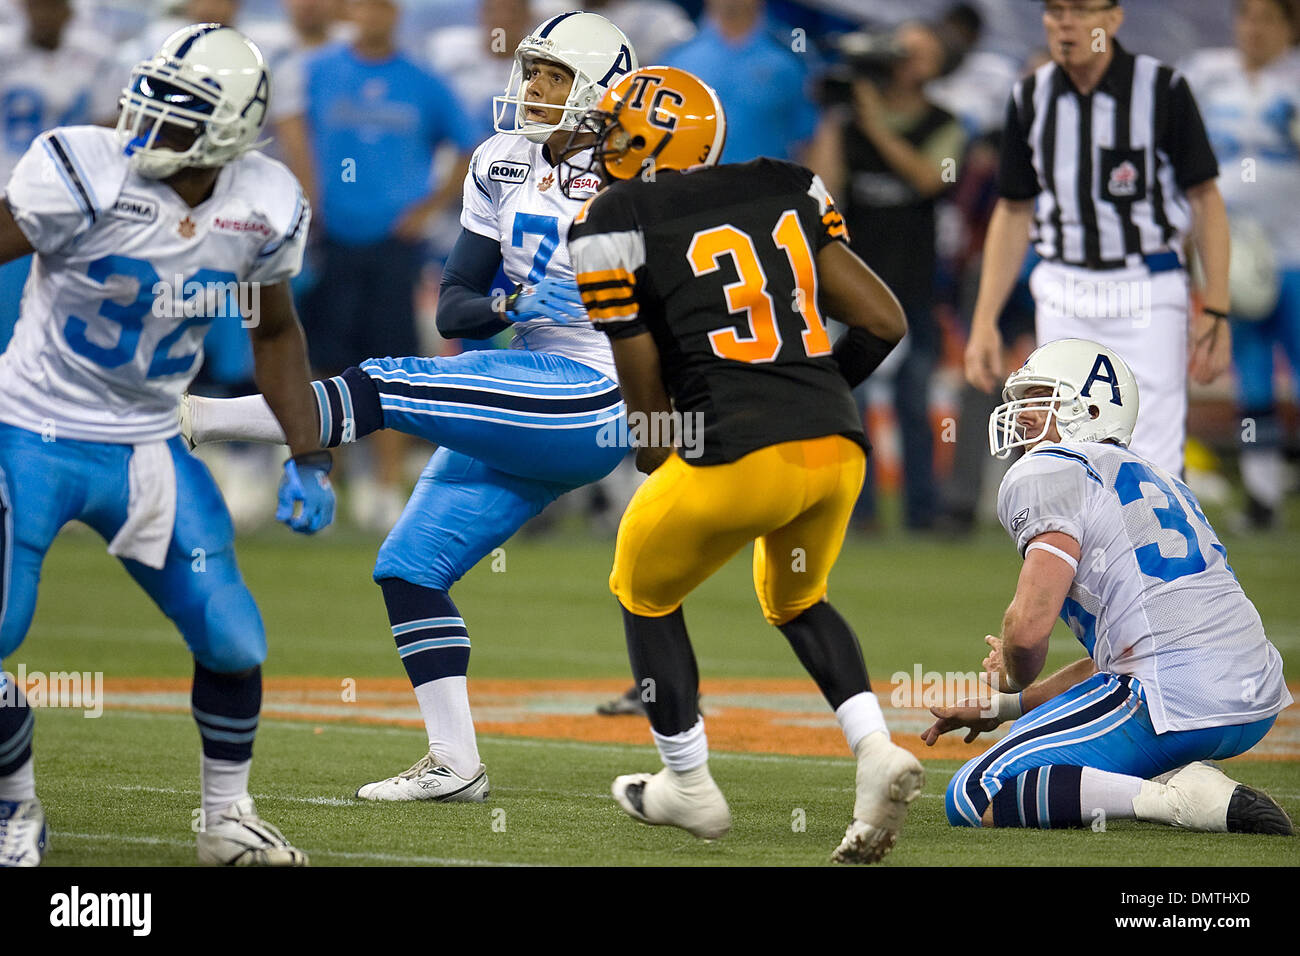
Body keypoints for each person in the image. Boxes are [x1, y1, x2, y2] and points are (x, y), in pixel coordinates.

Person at [181, 11, 638, 803]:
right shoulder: (499, 160)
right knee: (409, 567)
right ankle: (456, 762)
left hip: (594, 392)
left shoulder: (645, 176)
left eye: (553, 75)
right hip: (526, 381)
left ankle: (186, 420)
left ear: (599, 90)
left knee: (387, 380)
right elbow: (459, 305)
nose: (530, 86)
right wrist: (521, 294)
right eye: (530, 69)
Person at [567, 65, 923, 864]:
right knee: (796, 599)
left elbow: (643, 381)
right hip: (835, 450)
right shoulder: (786, 186)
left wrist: (660, 449)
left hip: (735, 451)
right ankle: (874, 751)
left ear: (661, 141)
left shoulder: (612, 218)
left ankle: (685, 783)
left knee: (642, 585)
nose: (604, 149)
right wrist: (812, 397)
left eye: (619, 134)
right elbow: (884, 319)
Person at [0, 24, 331, 867]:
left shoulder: (264, 202)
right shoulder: (83, 167)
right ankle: (15, 806)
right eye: (147, 97)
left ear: (227, 129)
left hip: (149, 441)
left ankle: (226, 820)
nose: (142, 120)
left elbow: (277, 333)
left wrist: (308, 455)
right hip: (29, 427)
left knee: (234, 639)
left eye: (174, 111)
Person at [923, 339, 1292, 835]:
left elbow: (1028, 634)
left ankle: (1173, 798)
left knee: (975, 794)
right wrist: (1006, 709)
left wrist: (1010, 676)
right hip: (1254, 697)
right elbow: (1119, 657)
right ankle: (1183, 778)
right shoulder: (1161, 478)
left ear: (1091, 411)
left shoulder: (1050, 470)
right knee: (1068, 725)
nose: (1022, 414)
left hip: (1173, 697)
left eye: (1039, 398)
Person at [964, 0, 1233, 477]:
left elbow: (1205, 198)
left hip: (1145, 284)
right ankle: (1071, 553)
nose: (1065, 23)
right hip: (1063, 285)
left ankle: (1158, 550)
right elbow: (1013, 208)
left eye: (1081, 10)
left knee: (1152, 449)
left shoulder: (1162, 90)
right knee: (1062, 444)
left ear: (1114, 18)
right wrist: (985, 319)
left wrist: (1216, 305)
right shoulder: (1029, 97)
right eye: (1055, 10)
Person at [299, 0, 478, 531]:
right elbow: (291, 135)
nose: (373, 14)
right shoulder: (319, 73)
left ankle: (385, 487)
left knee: (392, 364)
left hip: (394, 242)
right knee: (321, 361)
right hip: (331, 235)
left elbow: (469, 145)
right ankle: (320, 479)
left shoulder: (422, 80)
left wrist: (425, 209)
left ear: (395, 13)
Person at [806, 19, 967, 531]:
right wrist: (837, 119)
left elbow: (929, 179)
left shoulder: (945, 123)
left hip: (916, 284)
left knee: (914, 402)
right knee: (849, 400)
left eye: (917, 53)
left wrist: (874, 123)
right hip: (853, 286)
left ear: (936, 66)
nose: (904, 61)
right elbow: (825, 188)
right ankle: (861, 513)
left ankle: (923, 513)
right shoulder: (849, 123)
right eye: (899, 51)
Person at [1181, 0, 1300, 529]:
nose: (1252, 29)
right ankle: (1262, 496)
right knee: (1250, 377)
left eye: (1266, 19)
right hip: (1230, 252)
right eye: (1246, 16)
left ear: (1289, 27)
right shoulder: (1208, 78)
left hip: (1295, 249)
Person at [0, 0, 120, 351]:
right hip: (7, 194)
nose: (46, 14)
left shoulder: (97, 57)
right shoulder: (5, 51)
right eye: (39, 5)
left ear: (71, 11)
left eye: (54, 6)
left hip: (72, 201)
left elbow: (110, 133)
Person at [662, 0, 818, 164]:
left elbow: (810, 142)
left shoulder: (793, 58)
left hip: (768, 187)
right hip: (692, 187)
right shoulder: (675, 58)